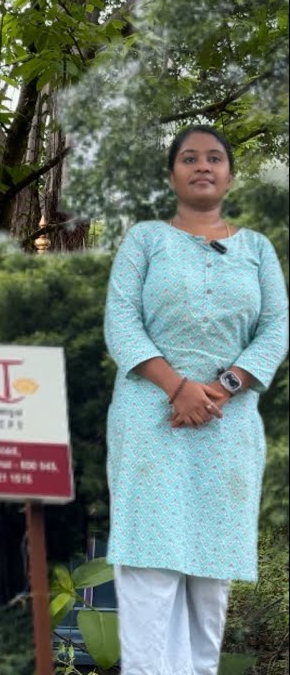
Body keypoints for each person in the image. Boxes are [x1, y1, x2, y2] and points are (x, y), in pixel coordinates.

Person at [103, 124, 288, 675]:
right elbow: (121, 322)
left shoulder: (257, 249)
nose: (202, 166)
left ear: (230, 174)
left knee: (210, 579)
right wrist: (177, 388)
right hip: (149, 417)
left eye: (214, 158)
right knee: (149, 566)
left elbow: (277, 328)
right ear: (173, 174)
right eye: (189, 158)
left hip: (228, 426)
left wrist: (225, 387)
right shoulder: (145, 239)